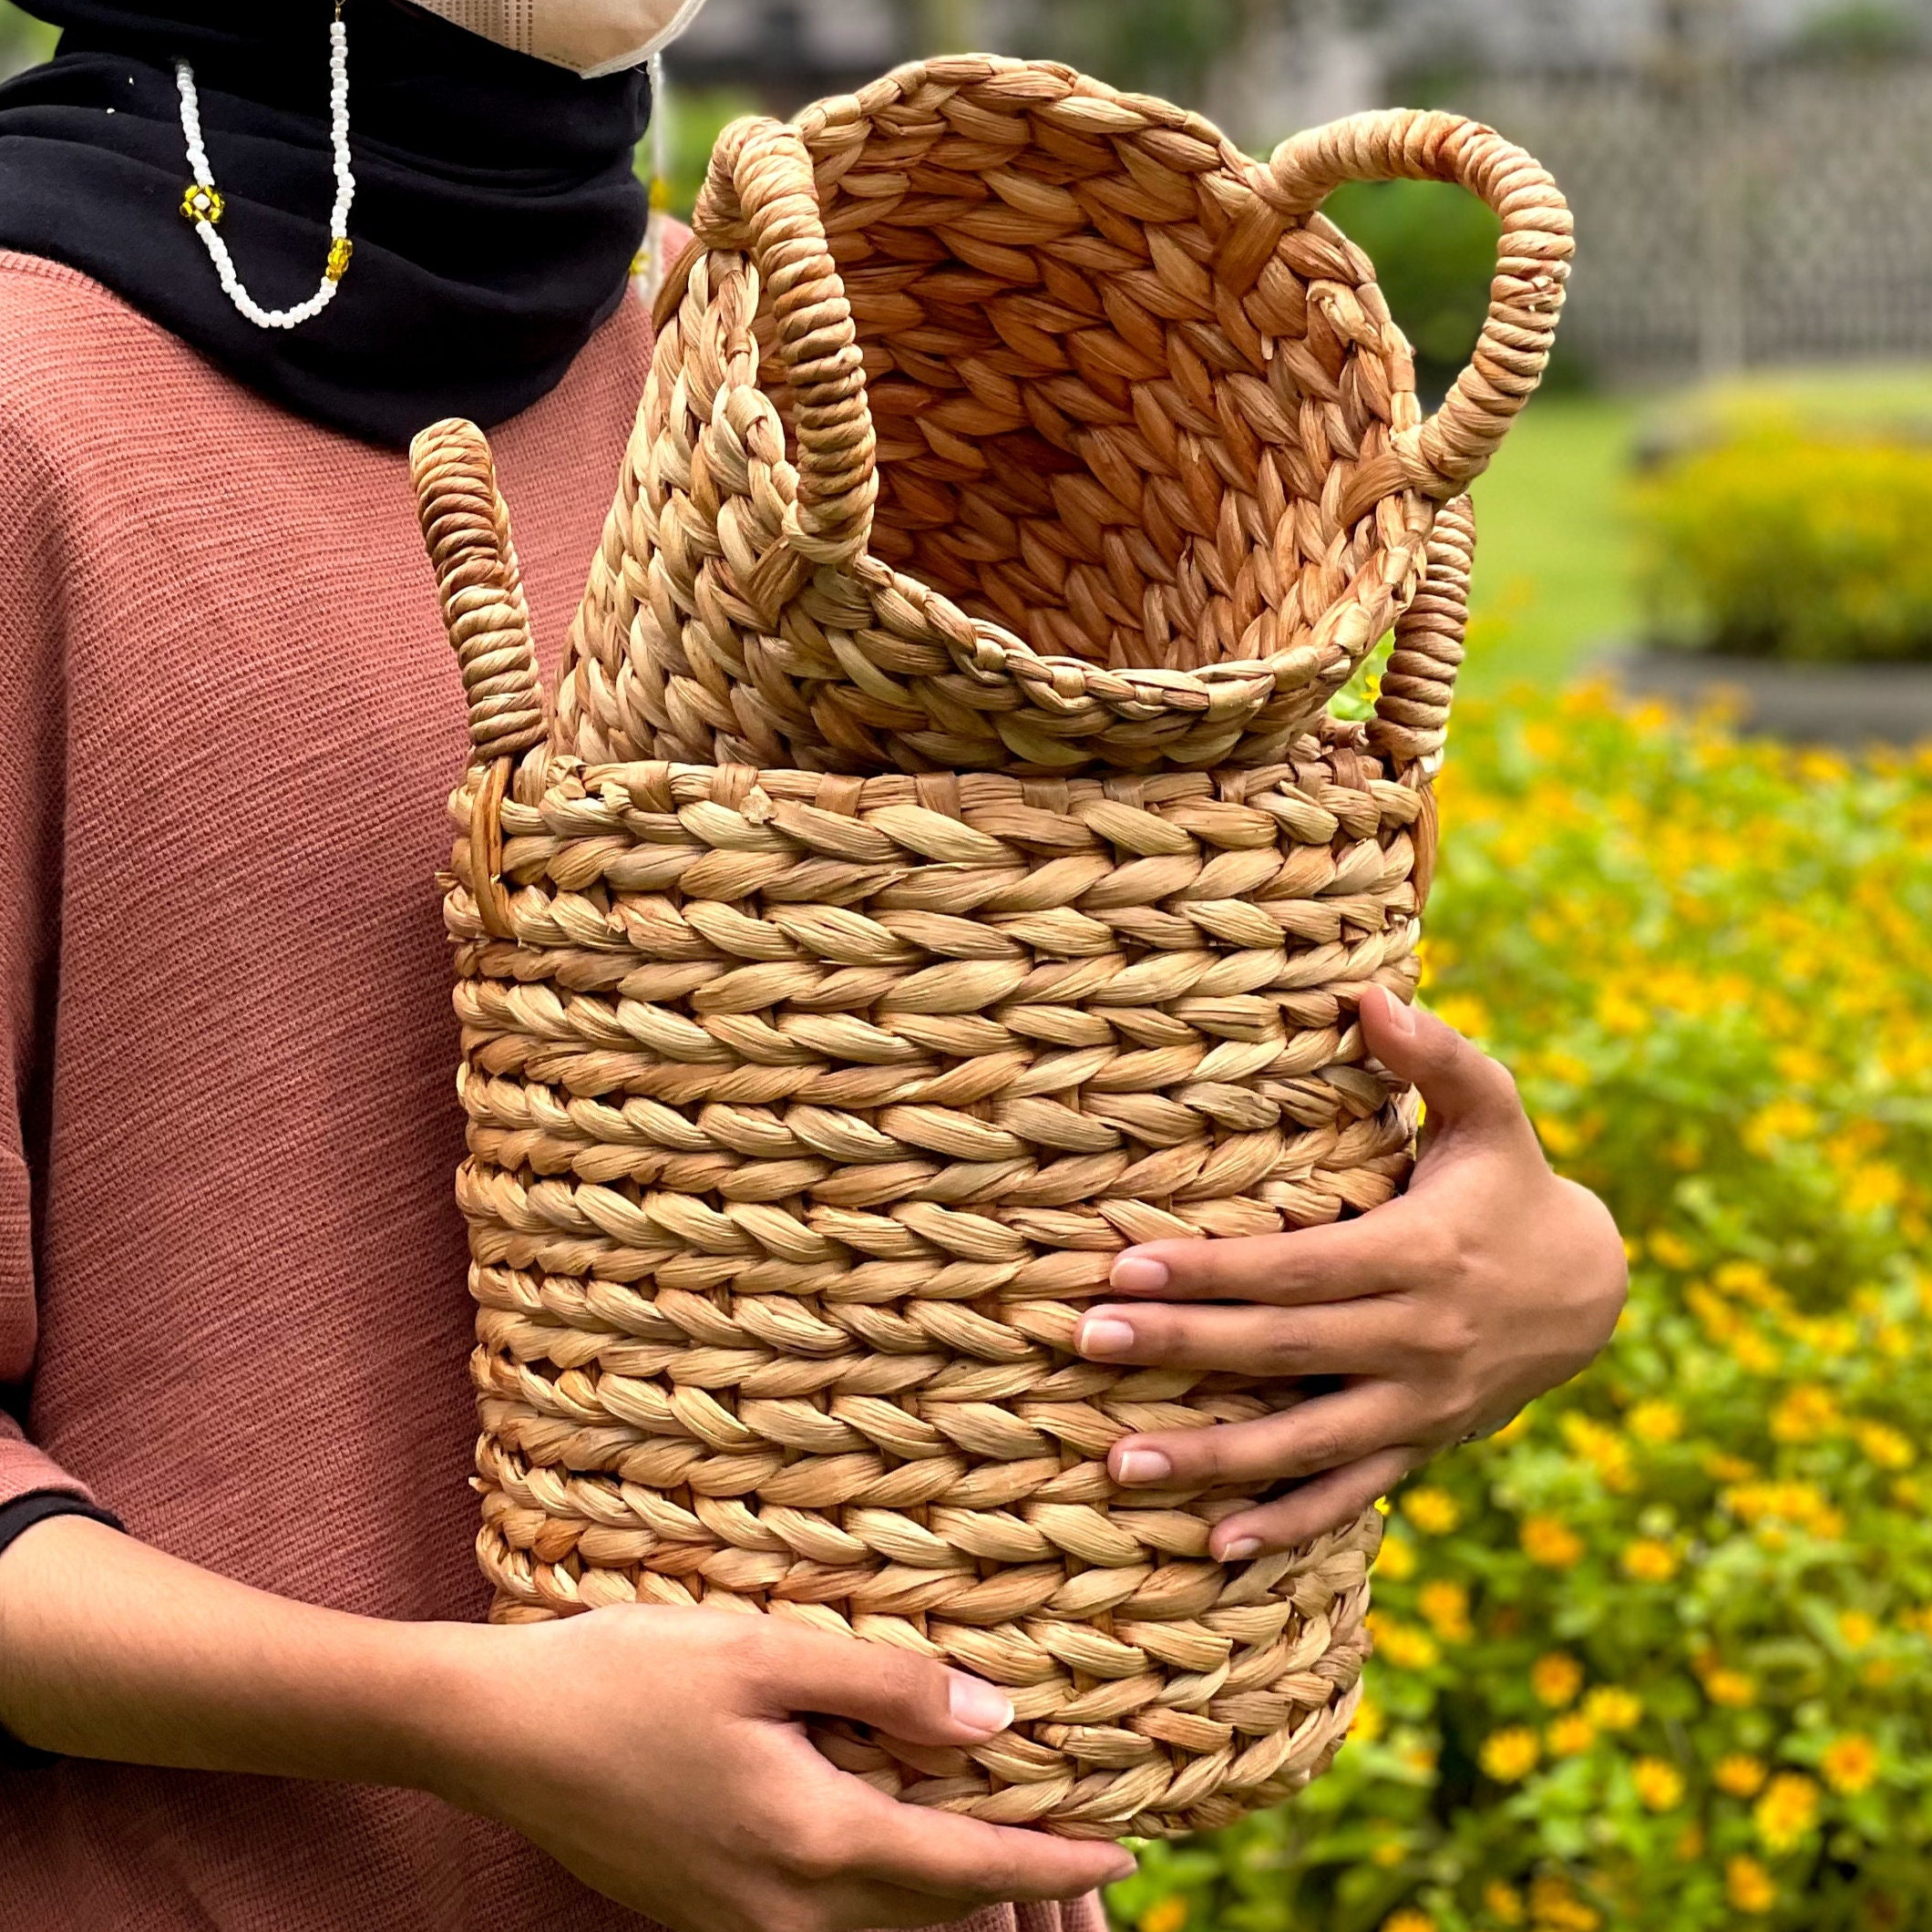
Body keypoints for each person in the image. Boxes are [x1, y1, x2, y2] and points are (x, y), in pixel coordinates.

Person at [0, 3, 1629, 1927]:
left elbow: (1060, 1098)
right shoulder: (35, 420)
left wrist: (1511, 1271)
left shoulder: (796, 363)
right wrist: (458, 1715)